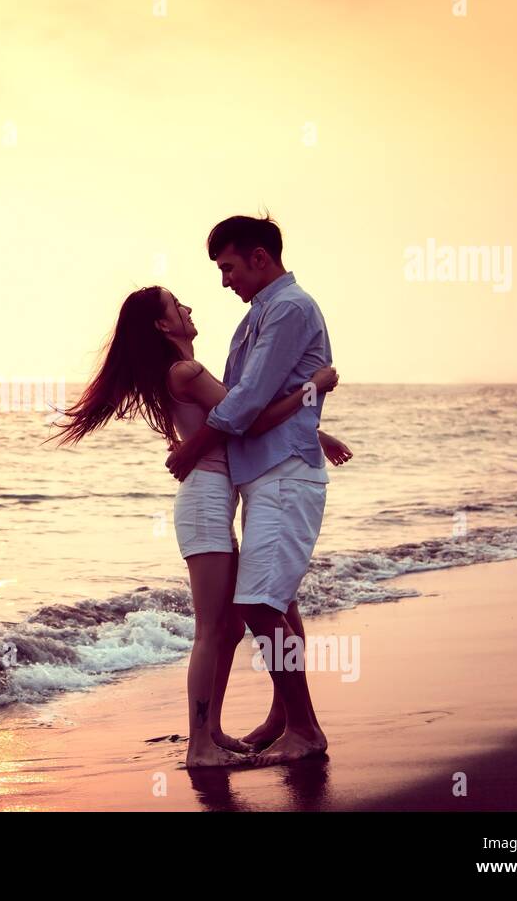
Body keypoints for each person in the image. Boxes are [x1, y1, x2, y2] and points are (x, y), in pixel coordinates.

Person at [51, 283, 348, 767]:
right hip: (205, 504)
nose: (187, 308)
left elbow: (238, 417)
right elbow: (248, 419)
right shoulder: (185, 371)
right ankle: (201, 745)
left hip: (214, 502)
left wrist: (316, 434)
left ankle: (224, 729)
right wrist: (311, 389)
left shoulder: (182, 371)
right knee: (213, 628)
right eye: (176, 305)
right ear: (162, 325)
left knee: (235, 623)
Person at [167, 214, 347, 765]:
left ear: (260, 258)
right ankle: (284, 719)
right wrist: (313, 418)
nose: (225, 281)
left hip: (283, 473)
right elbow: (247, 397)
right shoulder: (260, 315)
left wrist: (194, 448)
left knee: (256, 603)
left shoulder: (288, 309)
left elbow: (244, 403)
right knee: (280, 603)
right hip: (265, 473)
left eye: (229, 268)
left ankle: (305, 730)